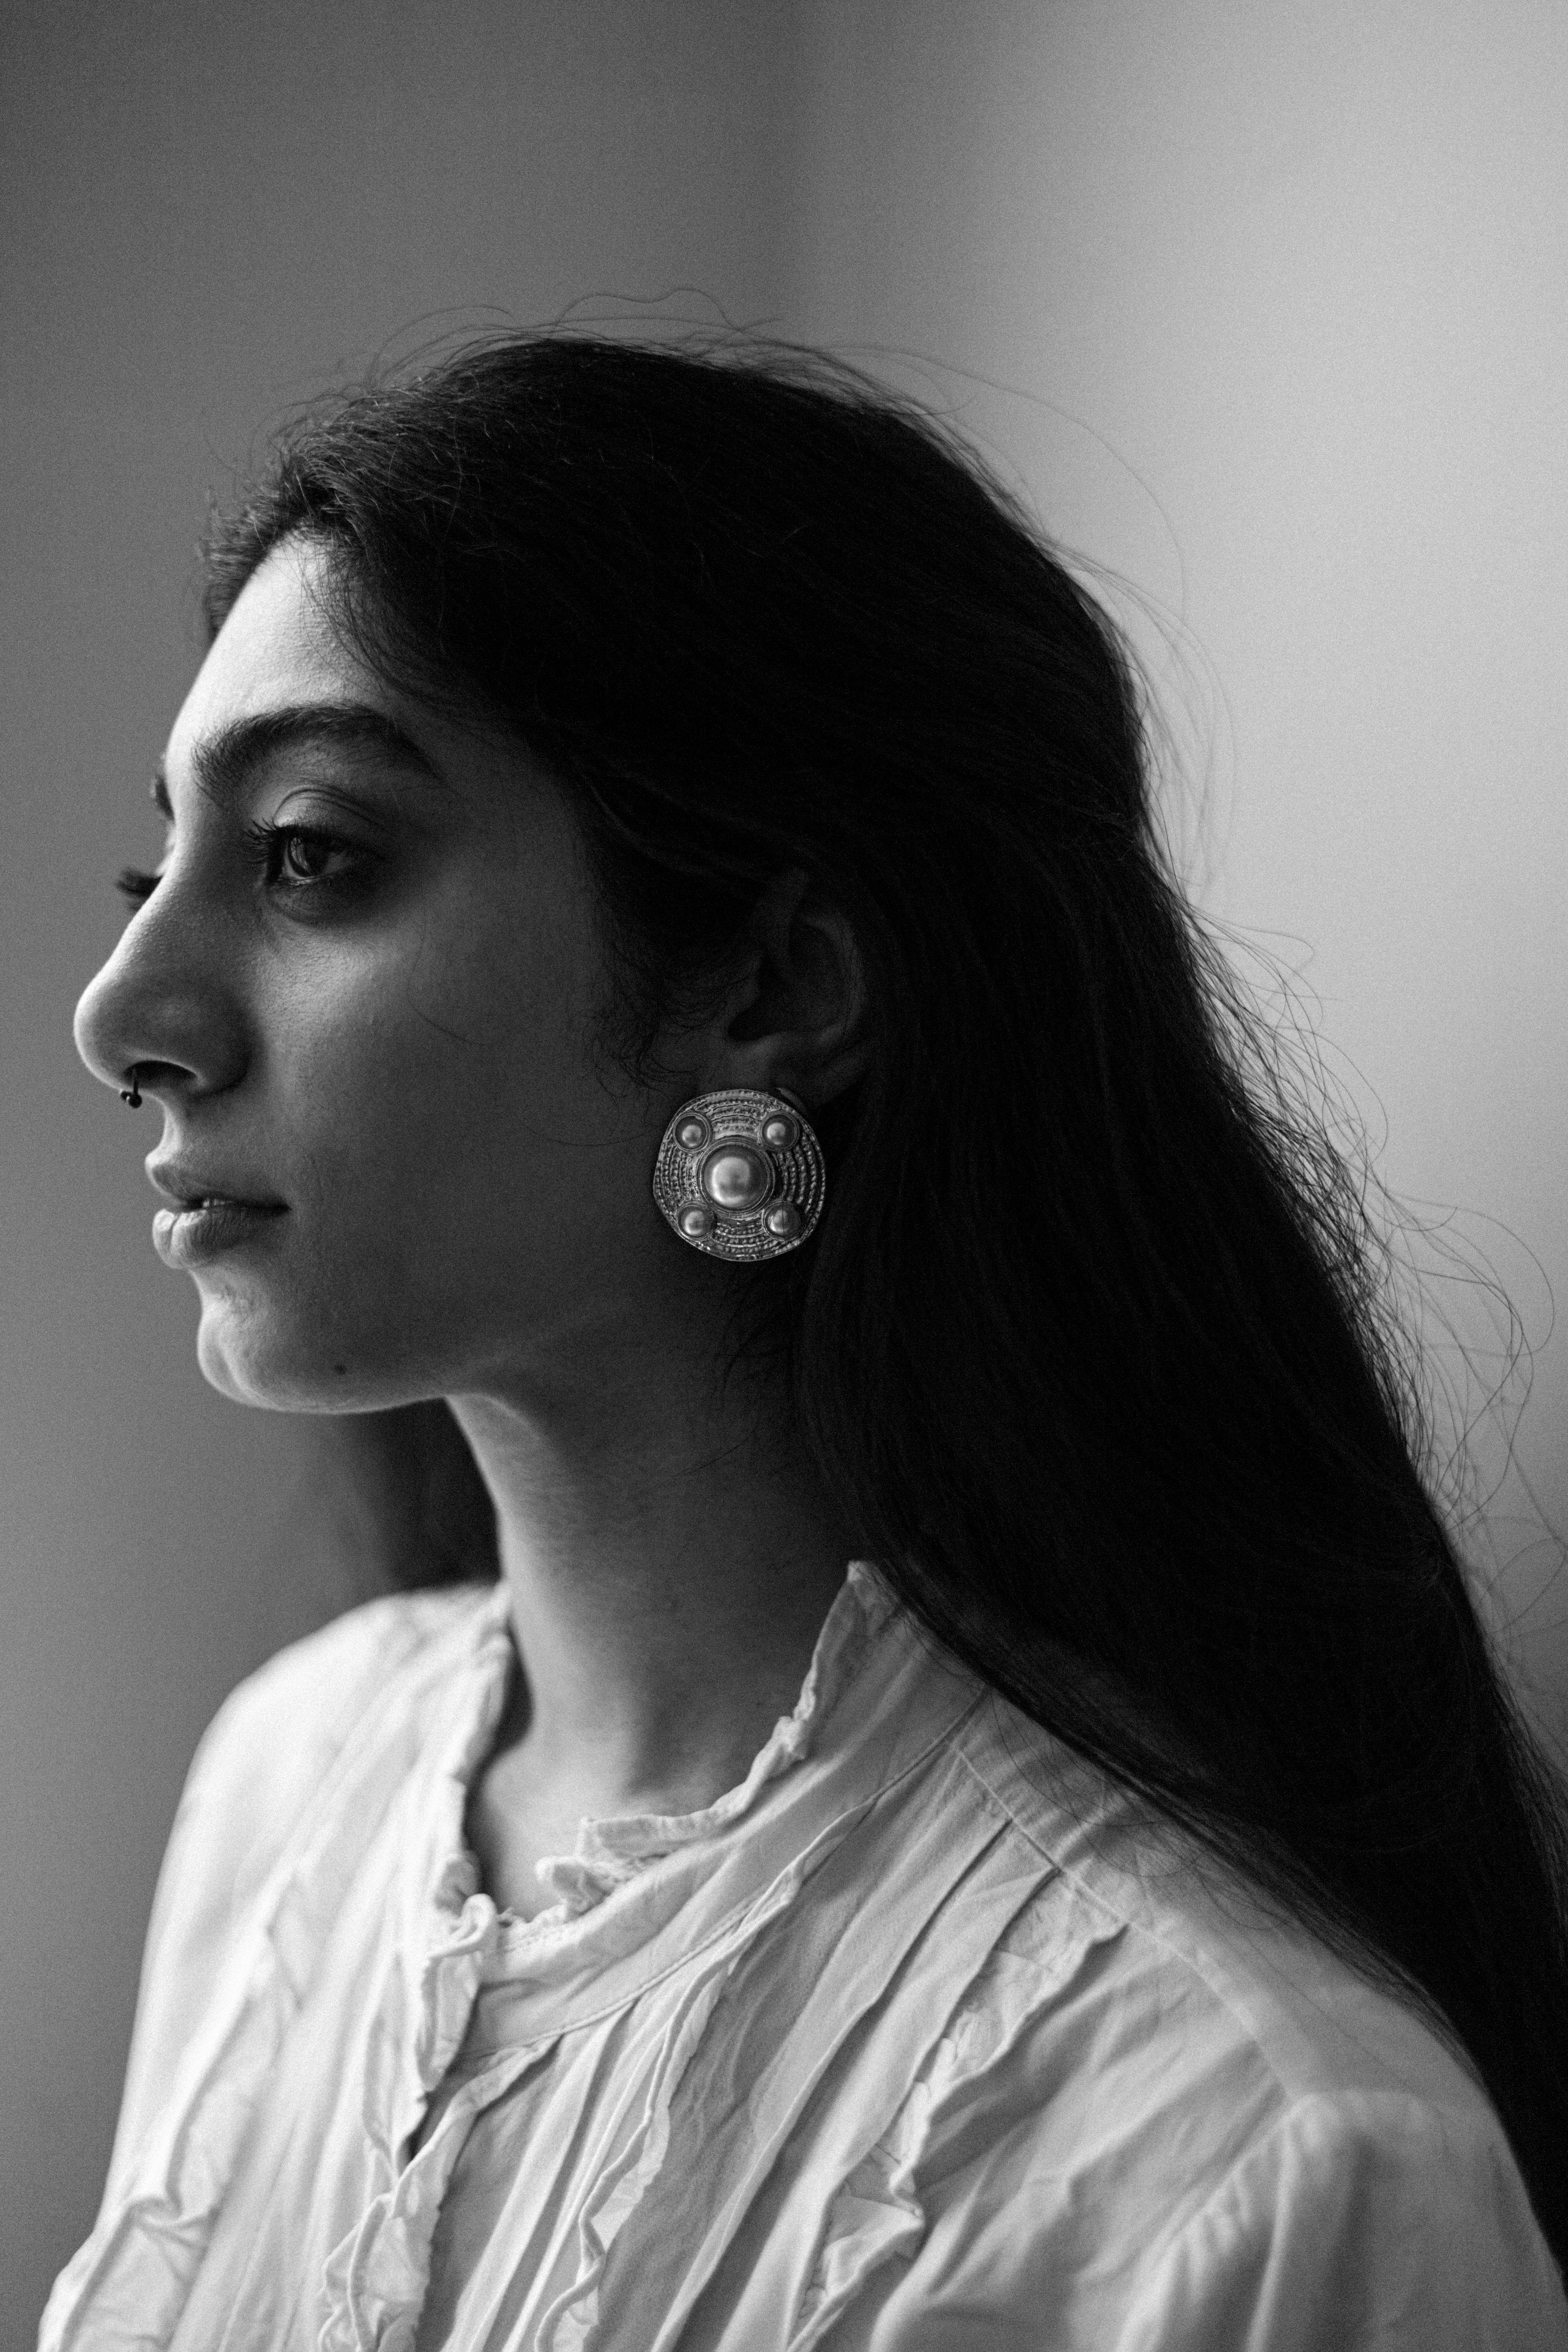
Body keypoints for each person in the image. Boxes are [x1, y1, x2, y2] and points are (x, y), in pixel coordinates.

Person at [52, 331, 1568, 2349]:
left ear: (769, 988)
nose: (120, 1011)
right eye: (156, 868)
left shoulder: (1247, 2161)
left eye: (313, 856)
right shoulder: (294, 1781)